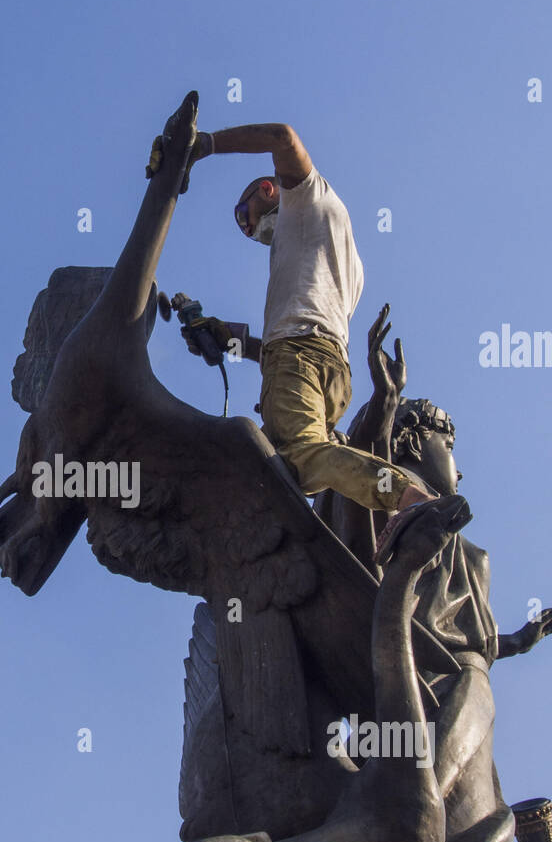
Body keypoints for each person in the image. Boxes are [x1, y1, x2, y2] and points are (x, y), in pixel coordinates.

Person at [177, 123, 434, 556]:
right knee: (270, 471)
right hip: (331, 370)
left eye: (246, 217)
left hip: (297, 358)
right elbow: (297, 337)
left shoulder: (302, 197)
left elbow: (283, 137)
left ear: (267, 190)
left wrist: (204, 145)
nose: (249, 230)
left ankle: (407, 499)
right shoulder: (341, 255)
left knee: (302, 454)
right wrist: (229, 339)